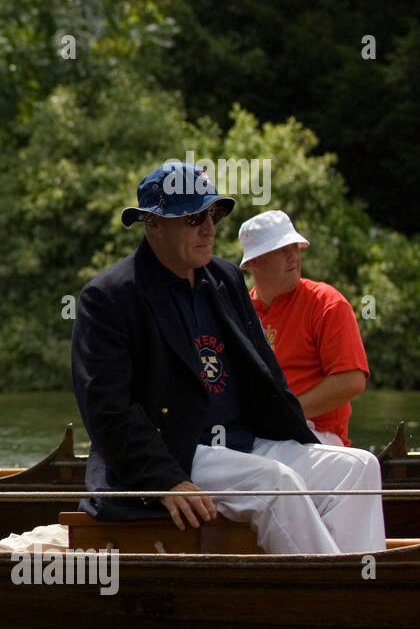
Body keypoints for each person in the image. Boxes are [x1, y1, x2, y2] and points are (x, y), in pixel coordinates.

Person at [70, 161, 384, 554]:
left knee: (357, 468)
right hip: (182, 452)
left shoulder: (225, 278)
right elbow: (106, 410)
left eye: (213, 214)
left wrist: (296, 433)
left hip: (246, 441)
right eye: (193, 218)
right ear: (153, 224)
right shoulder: (110, 297)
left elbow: (264, 373)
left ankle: (357, 587)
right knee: (277, 484)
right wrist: (165, 479)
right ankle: (336, 600)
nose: (209, 228)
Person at [238, 210, 369, 446]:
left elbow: (352, 380)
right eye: (281, 250)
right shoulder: (240, 312)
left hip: (319, 437)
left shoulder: (326, 302)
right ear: (253, 262)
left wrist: (287, 414)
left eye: (295, 247)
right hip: (259, 434)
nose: (293, 257)